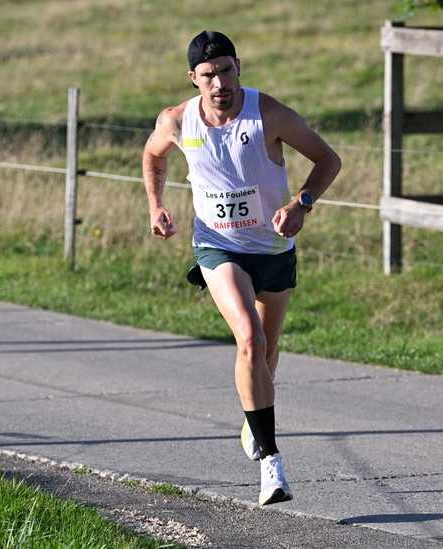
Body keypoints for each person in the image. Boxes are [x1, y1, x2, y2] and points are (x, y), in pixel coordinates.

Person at [142, 30, 341, 505]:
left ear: (239, 68)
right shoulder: (176, 121)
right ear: (194, 79)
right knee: (249, 339)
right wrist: (155, 206)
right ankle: (272, 465)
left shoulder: (268, 112)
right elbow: (152, 156)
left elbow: (327, 159)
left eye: (227, 70)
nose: (219, 83)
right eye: (208, 75)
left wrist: (301, 204)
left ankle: (253, 420)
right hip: (218, 246)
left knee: (267, 352)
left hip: (273, 249)